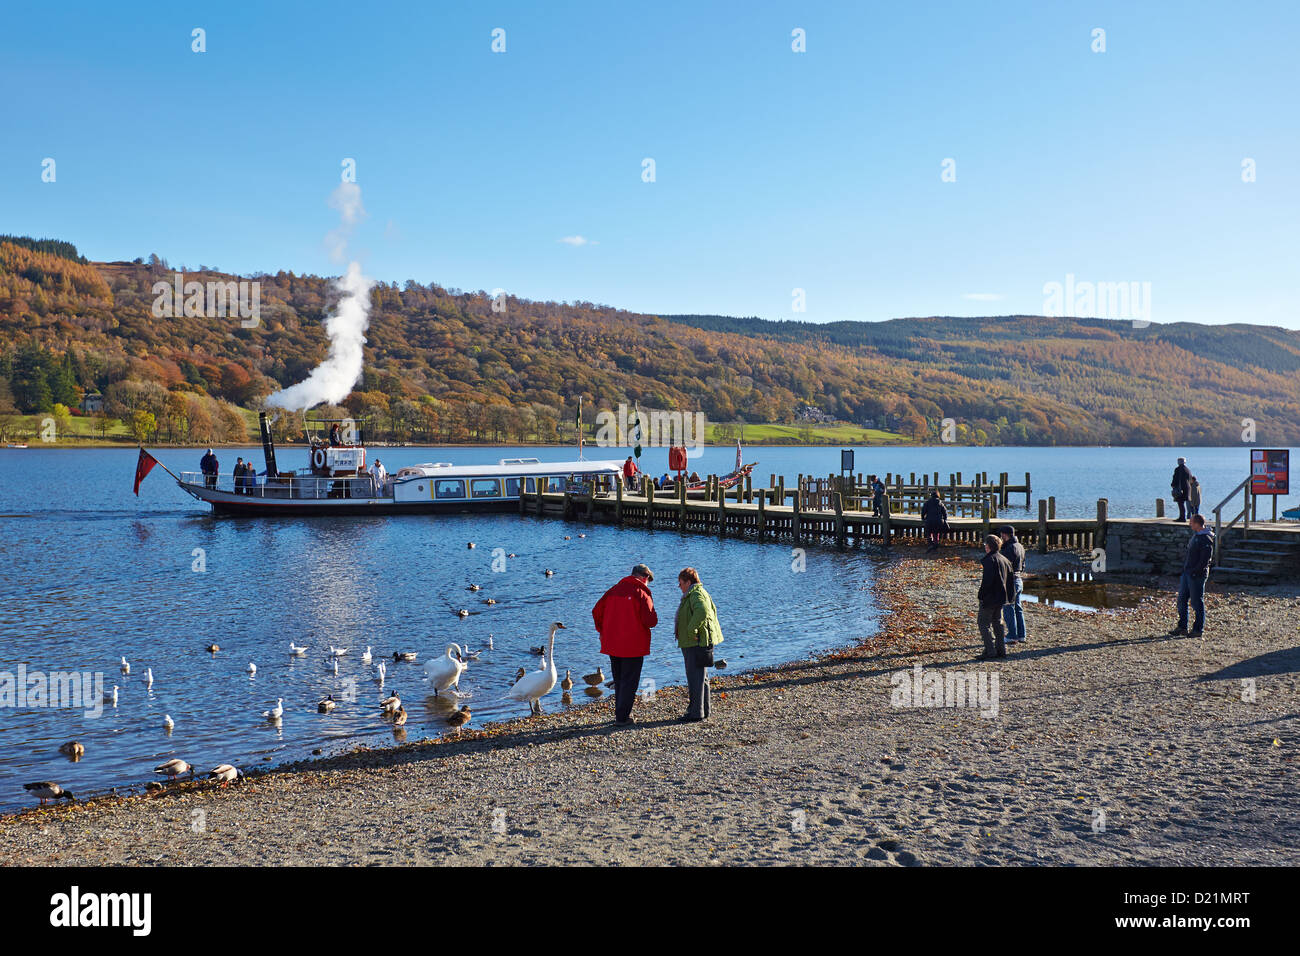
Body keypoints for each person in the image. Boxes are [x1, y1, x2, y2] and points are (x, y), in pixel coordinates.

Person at [591, 563, 658, 725]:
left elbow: (596, 611)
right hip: (633, 645)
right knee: (630, 681)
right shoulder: (642, 593)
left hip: (613, 644)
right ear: (645, 578)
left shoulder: (613, 590)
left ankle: (619, 714)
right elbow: (651, 621)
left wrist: (603, 631)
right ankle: (622, 717)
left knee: (619, 679)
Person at [674, 567, 722, 723]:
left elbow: (702, 611)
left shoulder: (695, 594)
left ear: (688, 582)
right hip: (700, 641)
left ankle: (696, 713)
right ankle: (703, 710)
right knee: (701, 677)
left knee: (695, 677)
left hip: (695, 641)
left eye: (681, 583)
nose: (679, 586)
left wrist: (691, 630)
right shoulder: (699, 592)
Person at [1170, 514, 1214, 638]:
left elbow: (1205, 560)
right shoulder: (1196, 536)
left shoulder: (1205, 538)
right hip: (1188, 573)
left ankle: (1198, 629)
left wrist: (1195, 571)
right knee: (1181, 600)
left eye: (1191, 522)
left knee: (1196, 602)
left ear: (1197, 524)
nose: (1189, 524)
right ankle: (1182, 627)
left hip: (1197, 575)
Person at [977, 534, 1013, 660]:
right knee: (998, 623)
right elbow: (1010, 581)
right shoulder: (1005, 560)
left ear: (988, 546)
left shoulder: (989, 560)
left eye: (985, 545)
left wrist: (981, 595)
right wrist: (1010, 597)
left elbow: (987, 581)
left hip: (990, 597)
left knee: (983, 623)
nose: (984, 547)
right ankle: (1001, 649)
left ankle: (990, 651)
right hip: (1001, 597)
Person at [998, 525, 1027, 645]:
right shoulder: (1020, 546)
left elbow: (1004, 566)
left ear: (1005, 535)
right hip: (1019, 579)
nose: (1001, 537)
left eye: (1001, 535)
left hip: (1010, 581)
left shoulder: (1009, 548)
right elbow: (1023, 564)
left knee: (1008, 608)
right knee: (1018, 608)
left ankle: (1012, 636)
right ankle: (1021, 635)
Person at [1171, 457, 1191, 521]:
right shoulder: (1187, 469)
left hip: (1180, 489)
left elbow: (1175, 478)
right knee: (1182, 503)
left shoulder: (1178, 469)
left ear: (1178, 462)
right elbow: (1190, 479)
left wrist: (1173, 485)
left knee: (1180, 503)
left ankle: (1182, 517)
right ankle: (1182, 517)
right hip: (1187, 488)